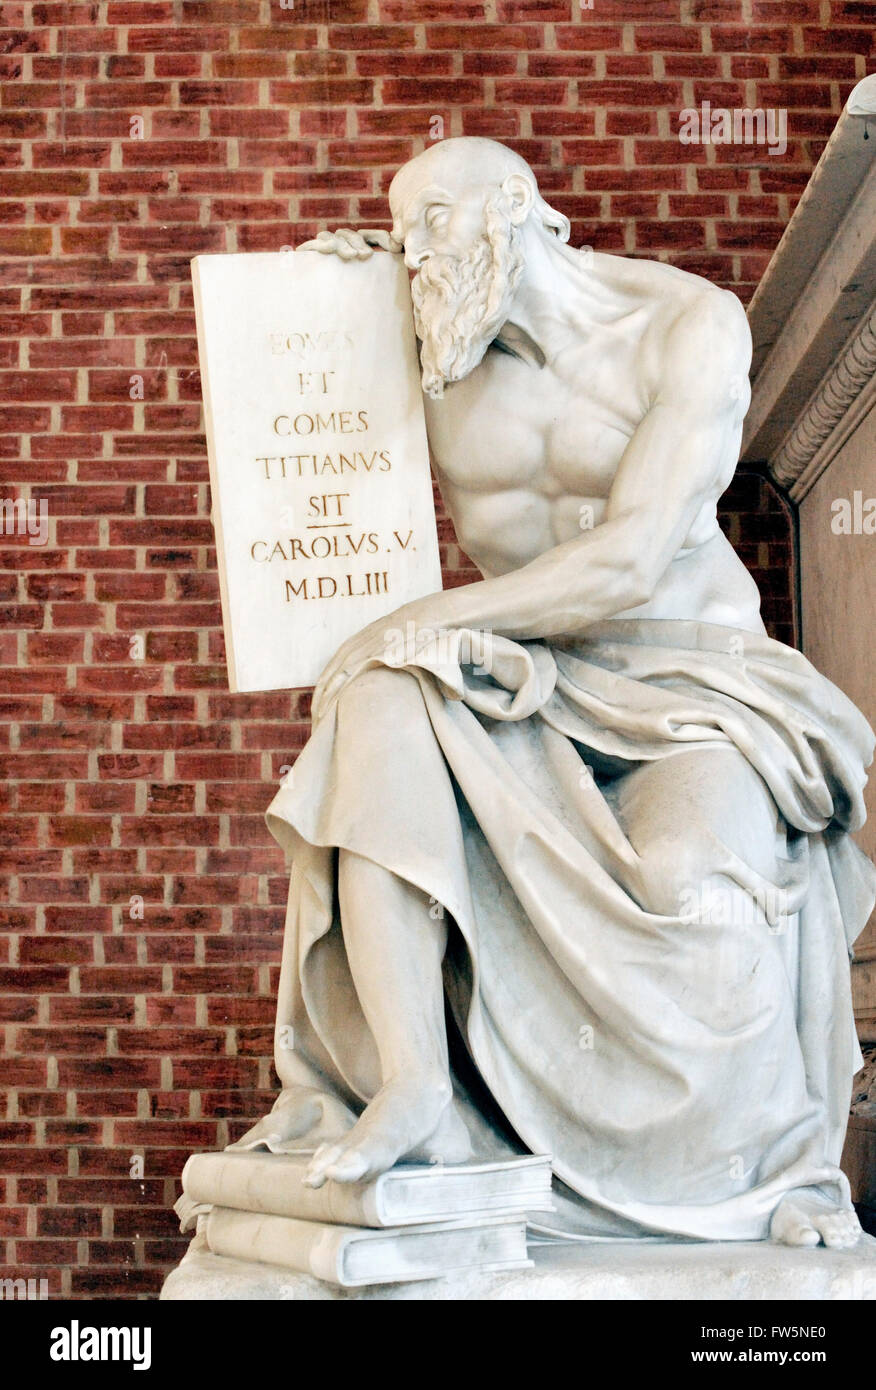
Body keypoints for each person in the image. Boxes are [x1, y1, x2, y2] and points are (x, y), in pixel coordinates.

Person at [235, 138, 874, 1248]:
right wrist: (324, 313)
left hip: (693, 687)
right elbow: (297, 447)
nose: (416, 252)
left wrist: (424, 619)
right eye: (401, 232)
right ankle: (413, 1084)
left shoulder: (685, 324)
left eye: (436, 219)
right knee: (377, 701)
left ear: (515, 207)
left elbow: (630, 560)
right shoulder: (423, 345)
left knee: (689, 890)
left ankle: (745, 1175)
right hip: (536, 674)